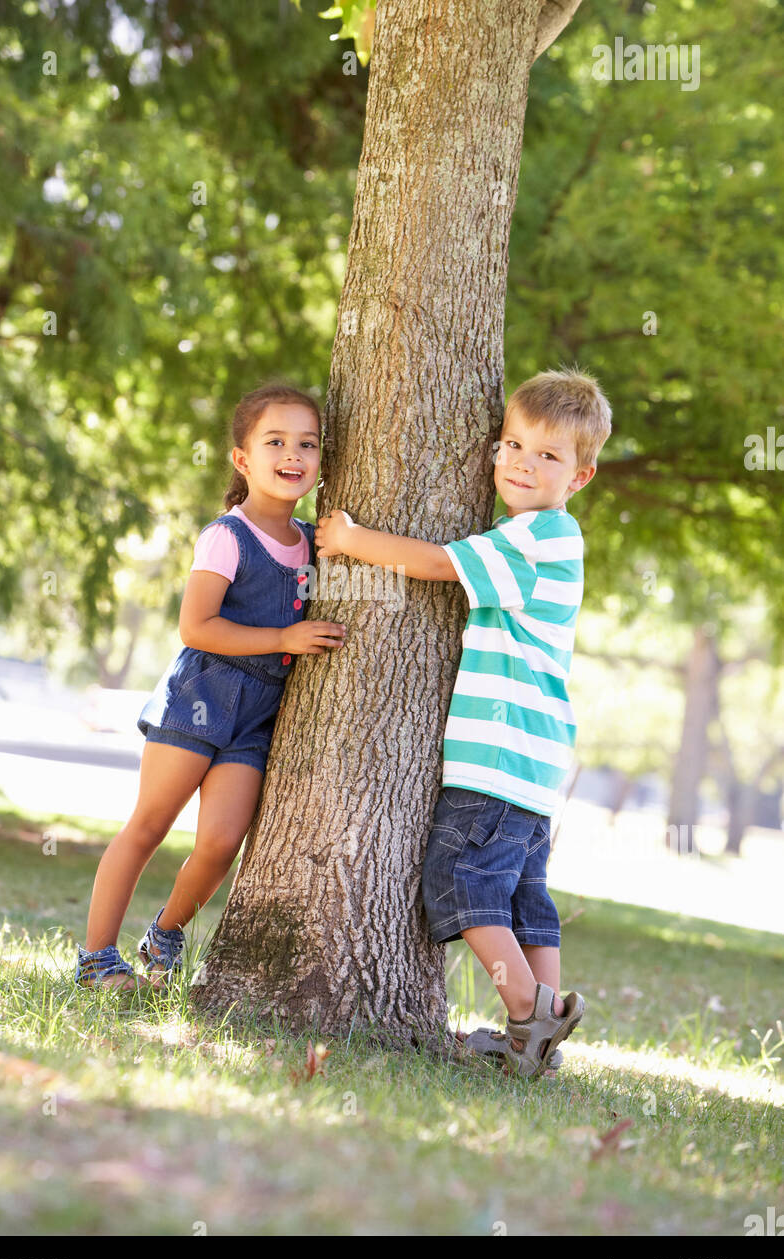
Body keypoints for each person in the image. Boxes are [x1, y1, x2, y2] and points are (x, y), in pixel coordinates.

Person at [315, 367, 611, 1077]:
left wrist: (353, 540)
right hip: (534, 761)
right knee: (523, 895)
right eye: (512, 444)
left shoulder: (538, 538)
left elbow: (438, 563)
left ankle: (525, 1018)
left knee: (463, 879)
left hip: (498, 756)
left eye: (548, 456)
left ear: (581, 475)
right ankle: (544, 1021)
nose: (522, 464)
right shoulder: (543, 536)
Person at [76, 384, 346, 988]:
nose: (293, 454)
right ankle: (96, 959)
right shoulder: (228, 535)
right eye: (274, 441)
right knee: (148, 825)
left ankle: (163, 936)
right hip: (202, 695)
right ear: (243, 458)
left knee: (223, 841)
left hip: (258, 715)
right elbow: (196, 626)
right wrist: (285, 639)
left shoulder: (313, 540)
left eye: (307, 443)